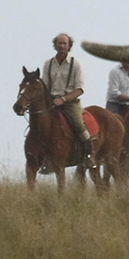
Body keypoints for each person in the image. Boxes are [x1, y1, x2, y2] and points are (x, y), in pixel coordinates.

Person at [43, 33, 92, 166]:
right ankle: (44, 159)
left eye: (65, 43)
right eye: (59, 43)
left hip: (70, 103)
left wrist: (63, 99)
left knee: (78, 124)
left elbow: (80, 89)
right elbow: (45, 86)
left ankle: (88, 155)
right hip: (52, 102)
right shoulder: (48, 64)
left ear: (69, 46)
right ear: (55, 45)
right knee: (40, 124)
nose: (62, 46)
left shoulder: (76, 64)